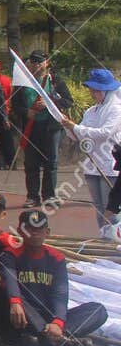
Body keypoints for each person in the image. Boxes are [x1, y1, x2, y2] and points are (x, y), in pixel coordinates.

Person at [0, 209, 107, 346]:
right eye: (29, 229)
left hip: (49, 319)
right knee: (5, 293)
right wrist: (15, 302)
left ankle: (49, 339)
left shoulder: (56, 258)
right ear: (20, 231)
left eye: (38, 229)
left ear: (47, 232)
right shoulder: (10, 254)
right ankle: (58, 341)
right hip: (22, 317)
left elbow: (60, 293)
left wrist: (58, 322)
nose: (34, 233)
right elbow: (10, 282)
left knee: (98, 310)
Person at [62, 68, 121, 233]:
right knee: (99, 209)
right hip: (92, 165)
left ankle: (115, 241)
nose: (93, 93)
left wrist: (77, 128)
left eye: (97, 90)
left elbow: (104, 133)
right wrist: (68, 126)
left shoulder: (116, 109)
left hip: (110, 165)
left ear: (107, 90)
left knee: (111, 209)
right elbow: (78, 135)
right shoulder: (91, 111)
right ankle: (104, 239)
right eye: (92, 89)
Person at [14, 51, 70, 207]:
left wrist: (50, 103)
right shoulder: (22, 82)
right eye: (33, 62)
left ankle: (49, 196)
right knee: (31, 163)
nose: (36, 65)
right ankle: (32, 196)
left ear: (47, 63)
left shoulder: (56, 81)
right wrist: (27, 112)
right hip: (31, 128)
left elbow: (67, 101)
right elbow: (15, 106)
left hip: (51, 128)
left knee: (51, 162)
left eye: (39, 62)